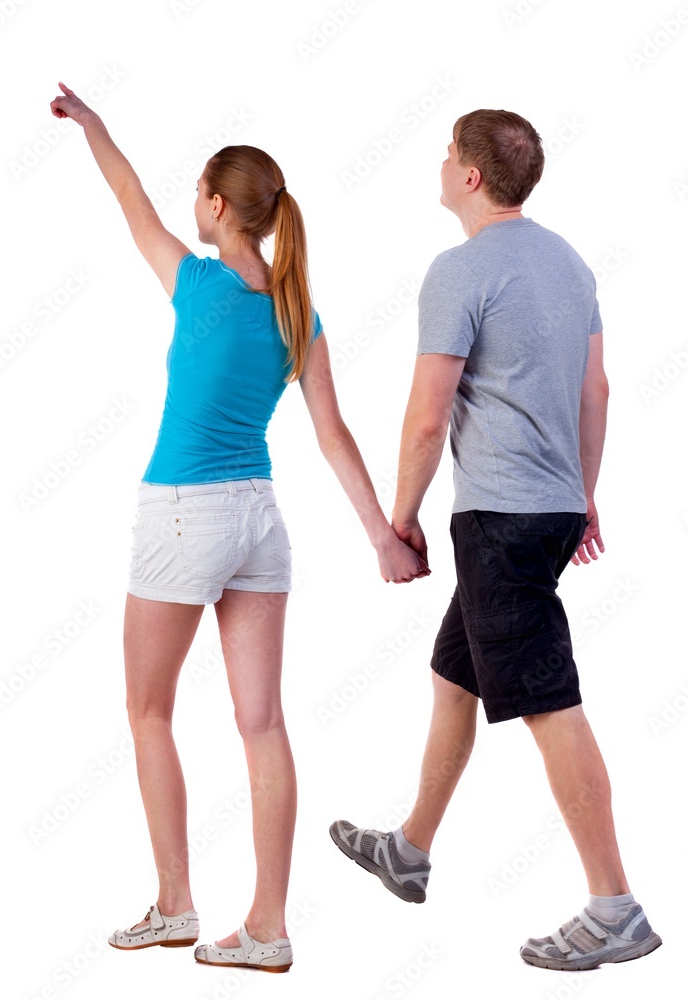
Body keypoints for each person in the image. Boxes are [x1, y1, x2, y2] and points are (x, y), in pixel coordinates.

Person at [49, 81, 427, 974]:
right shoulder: (299, 316)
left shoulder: (195, 282)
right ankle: (267, 926)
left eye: (200, 195)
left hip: (182, 512)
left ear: (218, 209)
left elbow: (127, 197)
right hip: (261, 521)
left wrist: (94, 126)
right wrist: (381, 536)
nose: (190, 206)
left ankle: (176, 905)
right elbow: (331, 437)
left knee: (147, 710)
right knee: (262, 726)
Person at [329, 109, 662, 971]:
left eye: (447, 155)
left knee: (549, 703)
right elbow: (597, 391)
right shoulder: (570, 264)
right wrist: (583, 495)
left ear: (471, 177)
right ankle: (408, 849)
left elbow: (425, 417)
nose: (440, 165)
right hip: (547, 512)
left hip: (498, 521)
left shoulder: (460, 270)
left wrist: (397, 520)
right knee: (454, 677)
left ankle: (613, 906)